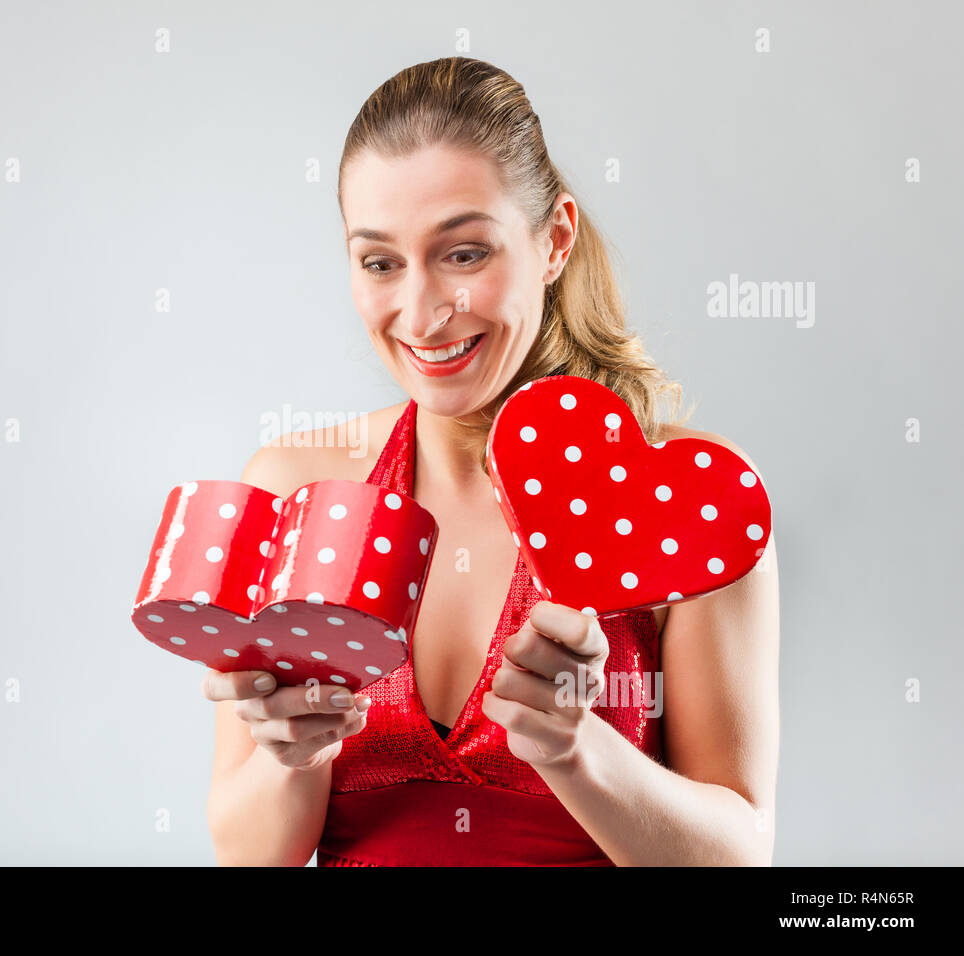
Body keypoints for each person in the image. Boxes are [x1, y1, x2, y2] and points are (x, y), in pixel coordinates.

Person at [203, 56, 779, 866]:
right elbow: (249, 853)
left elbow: (741, 853)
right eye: (379, 262)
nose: (423, 312)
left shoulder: (684, 504)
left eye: (465, 253)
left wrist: (578, 750)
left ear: (553, 240)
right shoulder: (296, 488)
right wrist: (294, 753)